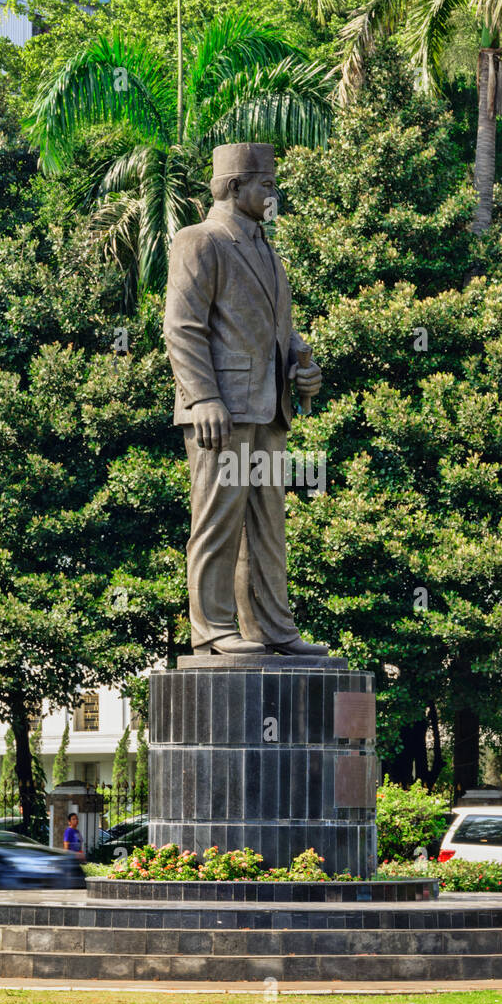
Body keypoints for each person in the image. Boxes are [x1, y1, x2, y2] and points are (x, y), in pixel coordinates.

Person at [164, 142, 327, 656]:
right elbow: (182, 328)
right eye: (267, 185)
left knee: (267, 526)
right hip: (222, 411)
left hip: (269, 409)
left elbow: (280, 332)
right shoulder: (200, 240)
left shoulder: (268, 252)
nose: (274, 195)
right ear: (235, 186)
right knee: (218, 521)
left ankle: (272, 628)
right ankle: (213, 629)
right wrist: (203, 398)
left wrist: (303, 367)